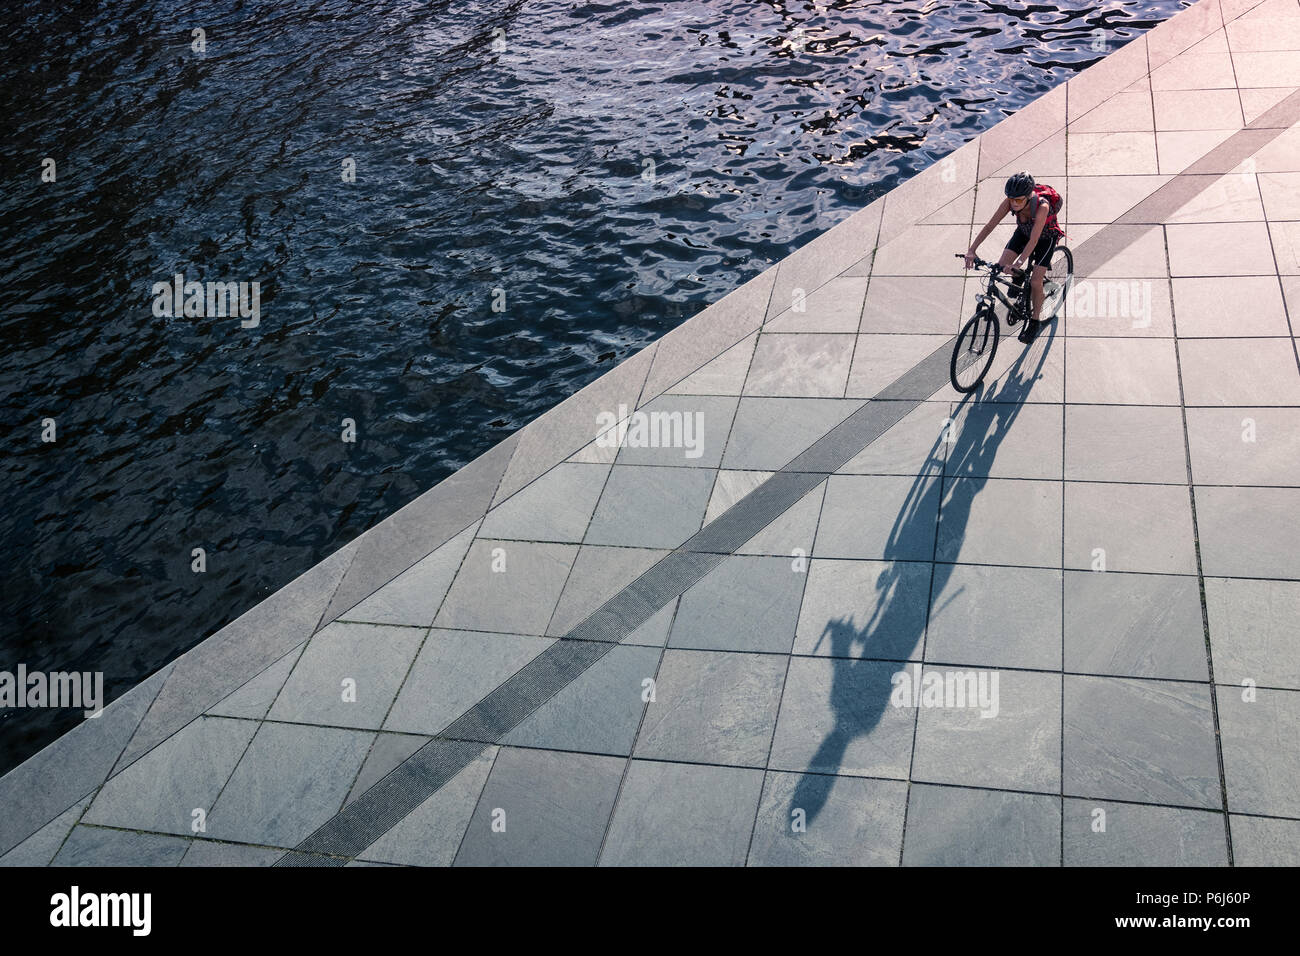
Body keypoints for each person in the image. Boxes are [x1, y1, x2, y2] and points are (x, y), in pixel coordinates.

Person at [964, 172, 1064, 343]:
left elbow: (1034, 240)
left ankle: (1035, 321)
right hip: (1023, 233)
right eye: (1011, 199)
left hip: (1044, 239)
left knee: (1035, 281)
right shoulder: (1011, 203)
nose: (1014, 203)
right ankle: (1018, 277)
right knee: (1002, 265)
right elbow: (989, 226)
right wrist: (972, 249)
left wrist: (1018, 263)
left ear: (1028, 196)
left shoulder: (1042, 207)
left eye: (1018, 200)